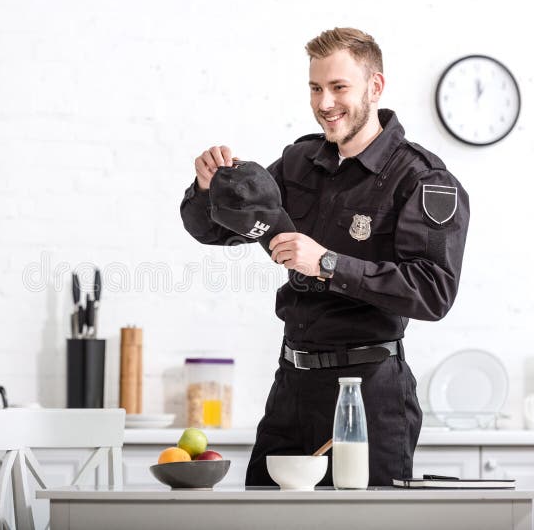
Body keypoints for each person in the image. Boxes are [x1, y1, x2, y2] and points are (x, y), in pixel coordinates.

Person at [179, 27, 469, 487]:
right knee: (260, 517)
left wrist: (328, 263)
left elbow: (433, 292)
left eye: (339, 88)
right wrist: (205, 188)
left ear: (375, 87)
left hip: (370, 393)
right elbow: (213, 230)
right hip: (293, 387)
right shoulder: (298, 163)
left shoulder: (422, 178)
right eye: (316, 88)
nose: (324, 103)